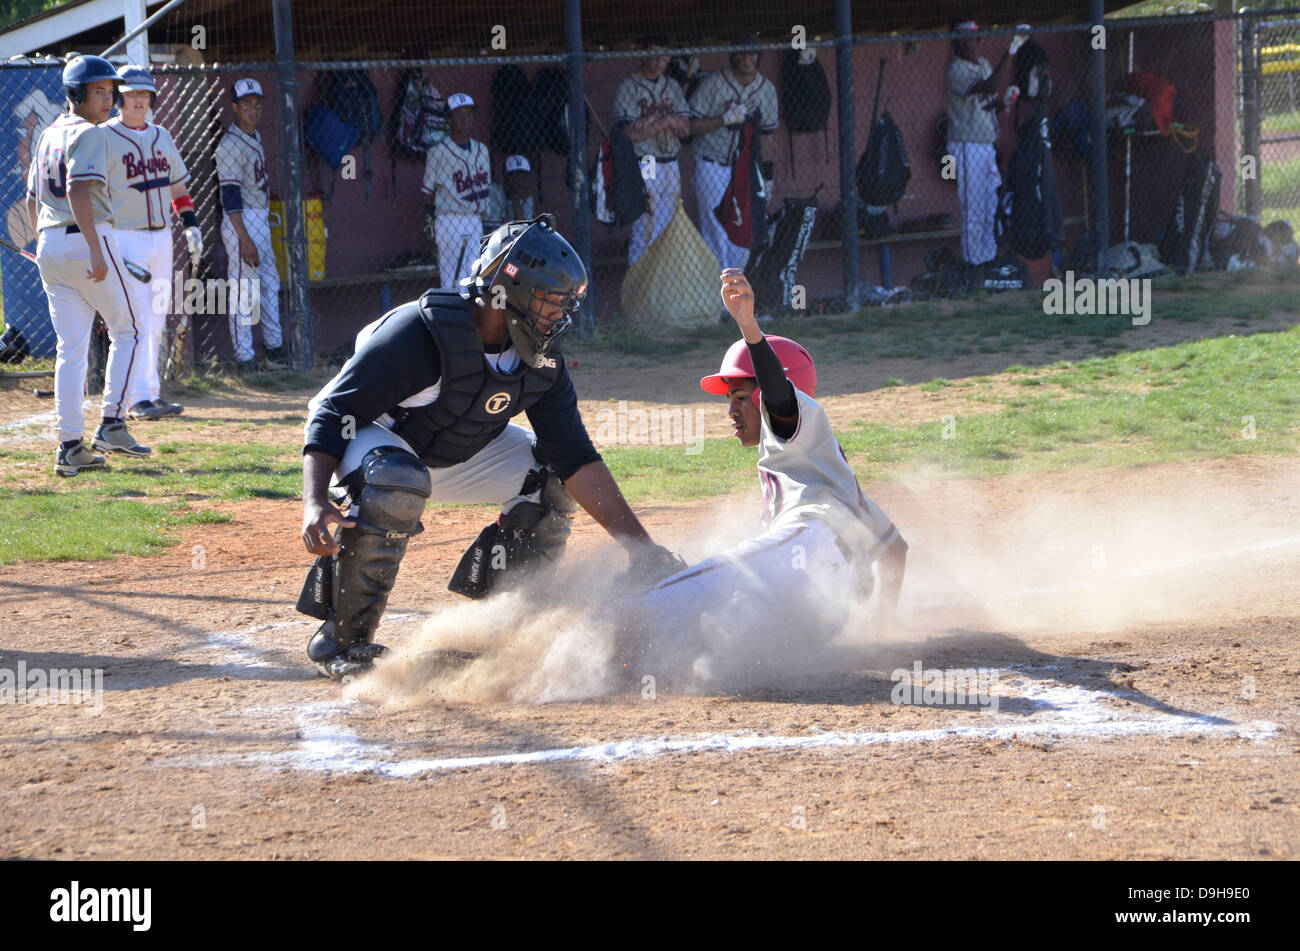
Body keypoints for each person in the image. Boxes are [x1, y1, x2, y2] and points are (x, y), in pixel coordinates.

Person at [298, 216, 684, 681]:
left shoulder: (541, 362)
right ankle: (342, 641)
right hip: (367, 437)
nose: (559, 315)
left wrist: (641, 548)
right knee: (396, 482)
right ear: (509, 287)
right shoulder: (417, 335)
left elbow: (577, 459)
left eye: (566, 305)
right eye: (550, 301)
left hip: (446, 449)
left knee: (552, 480)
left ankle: (505, 623)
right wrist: (315, 502)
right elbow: (332, 415)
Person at [621, 269, 908, 686]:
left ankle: (579, 639)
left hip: (809, 544)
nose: (731, 411)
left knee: (651, 607)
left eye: (740, 397)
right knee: (703, 640)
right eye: (730, 400)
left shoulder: (792, 421)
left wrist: (748, 327)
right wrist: (886, 627)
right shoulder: (828, 469)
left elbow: (778, 392)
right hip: (822, 605)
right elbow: (897, 549)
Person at [25, 54, 151, 476]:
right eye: (99, 91)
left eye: (110, 92)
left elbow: (31, 200)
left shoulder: (47, 134)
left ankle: (69, 447)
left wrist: (41, 241)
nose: (108, 100)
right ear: (76, 94)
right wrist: (96, 250)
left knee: (71, 349)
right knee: (129, 329)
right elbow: (80, 193)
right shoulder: (91, 134)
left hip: (51, 245)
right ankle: (112, 423)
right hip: (88, 238)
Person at [105, 64, 197, 420]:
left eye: (144, 94)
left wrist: (190, 225)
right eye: (132, 94)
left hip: (161, 236)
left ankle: (150, 393)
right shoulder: (106, 137)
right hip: (125, 237)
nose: (139, 100)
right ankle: (133, 398)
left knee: (157, 318)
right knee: (136, 319)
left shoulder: (161, 135)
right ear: (119, 99)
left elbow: (177, 187)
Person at [688, 34, 779, 271]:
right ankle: (718, 299)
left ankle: (737, 293)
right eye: (741, 53)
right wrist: (723, 119)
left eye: (751, 54)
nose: (746, 59)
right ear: (732, 56)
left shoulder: (766, 88)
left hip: (746, 172)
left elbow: (768, 136)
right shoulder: (713, 83)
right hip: (712, 164)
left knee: (742, 231)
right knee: (715, 231)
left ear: (758, 58)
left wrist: (768, 176)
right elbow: (690, 127)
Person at [216, 77, 285, 372]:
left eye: (257, 105)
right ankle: (245, 357)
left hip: (260, 217)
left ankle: (275, 351)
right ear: (235, 107)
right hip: (241, 220)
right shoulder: (230, 143)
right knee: (245, 290)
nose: (253, 110)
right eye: (246, 105)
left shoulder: (254, 137)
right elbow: (229, 197)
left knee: (270, 285)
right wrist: (244, 238)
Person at [945, 20, 1027, 266]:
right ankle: (974, 265)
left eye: (975, 37)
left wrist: (1007, 101)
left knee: (992, 205)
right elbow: (989, 85)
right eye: (966, 38)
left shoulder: (983, 64)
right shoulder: (955, 69)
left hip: (986, 143)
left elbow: (988, 102)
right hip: (966, 145)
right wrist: (1012, 48)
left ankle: (988, 261)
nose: (972, 43)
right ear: (957, 42)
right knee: (974, 209)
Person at [614, 37, 691, 265]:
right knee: (645, 224)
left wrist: (654, 121)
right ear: (643, 55)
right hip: (645, 161)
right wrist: (666, 121)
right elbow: (629, 133)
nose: (659, 62)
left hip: (671, 162)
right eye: (654, 55)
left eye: (664, 57)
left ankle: (660, 286)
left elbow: (686, 129)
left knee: (669, 225)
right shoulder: (628, 87)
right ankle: (638, 285)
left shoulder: (673, 87)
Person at [422, 93, 491, 290]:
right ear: (449, 119)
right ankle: (451, 315)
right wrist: (432, 218)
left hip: (475, 218)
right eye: (459, 114)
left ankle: (470, 317)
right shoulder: (437, 152)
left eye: (469, 114)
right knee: (452, 276)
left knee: (476, 274)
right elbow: (428, 192)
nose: (465, 119)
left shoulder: (482, 150)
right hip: (450, 219)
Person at [485, 154, 535, 228]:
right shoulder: (493, 192)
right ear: (505, 178)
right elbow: (493, 231)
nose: (520, 182)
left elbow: (526, 230)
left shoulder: (526, 196)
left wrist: (516, 202)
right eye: (516, 177)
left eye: (524, 177)